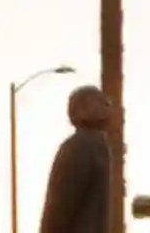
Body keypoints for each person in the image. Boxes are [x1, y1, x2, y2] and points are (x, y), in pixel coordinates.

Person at [40, 85, 113, 233]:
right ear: (82, 110)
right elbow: (61, 206)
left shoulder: (95, 145)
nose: (107, 106)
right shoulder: (81, 145)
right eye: (99, 102)